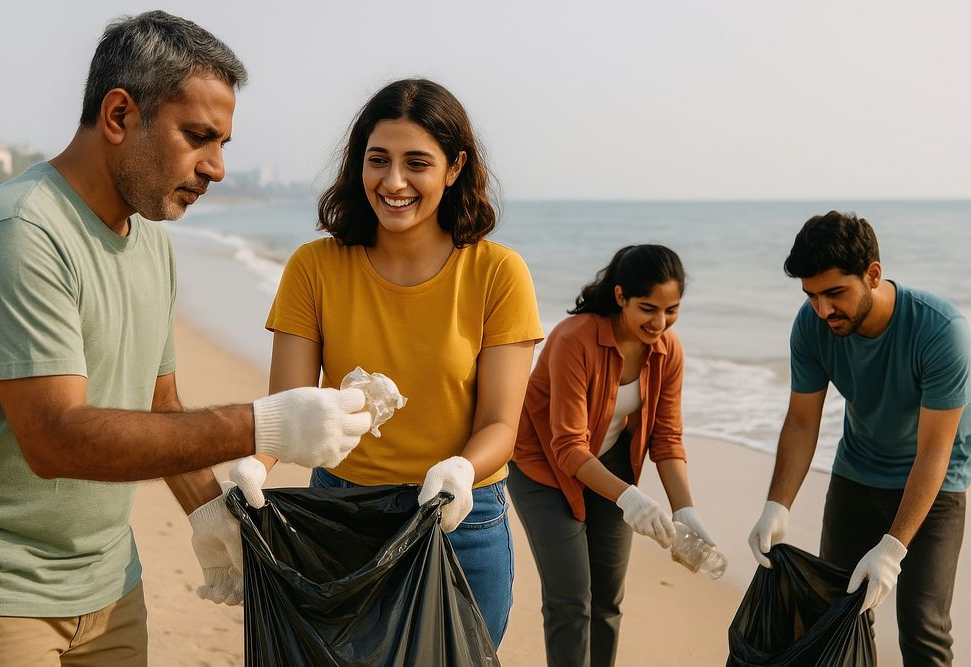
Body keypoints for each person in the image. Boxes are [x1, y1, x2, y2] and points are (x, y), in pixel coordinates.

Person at [0, 11, 371, 666]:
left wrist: (209, 513)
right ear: (119, 115)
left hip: (112, 587)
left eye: (223, 144)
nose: (216, 167)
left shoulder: (152, 244)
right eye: (198, 137)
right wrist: (266, 424)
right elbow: (54, 438)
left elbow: (161, 406)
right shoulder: (21, 232)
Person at [232, 78, 543, 648]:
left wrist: (460, 471)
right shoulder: (314, 267)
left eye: (416, 163)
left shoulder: (498, 273)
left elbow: (501, 423)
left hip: (460, 518)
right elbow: (287, 408)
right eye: (378, 160)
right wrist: (256, 464)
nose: (394, 182)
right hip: (344, 514)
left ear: (454, 168)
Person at [747, 211, 970, 666]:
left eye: (834, 293)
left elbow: (934, 450)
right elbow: (802, 422)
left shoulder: (940, 331)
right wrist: (777, 505)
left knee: (923, 626)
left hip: (936, 483)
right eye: (811, 296)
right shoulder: (811, 326)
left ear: (872, 275)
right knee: (837, 613)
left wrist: (893, 548)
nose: (823, 310)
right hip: (858, 471)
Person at [507, 244, 721, 667]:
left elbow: (666, 438)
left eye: (672, 310)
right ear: (621, 296)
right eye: (648, 309)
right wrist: (629, 497)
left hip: (610, 464)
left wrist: (685, 510)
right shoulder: (574, 339)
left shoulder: (667, 350)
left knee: (608, 597)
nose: (660, 323)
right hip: (542, 467)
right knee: (572, 598)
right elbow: (568, 446)